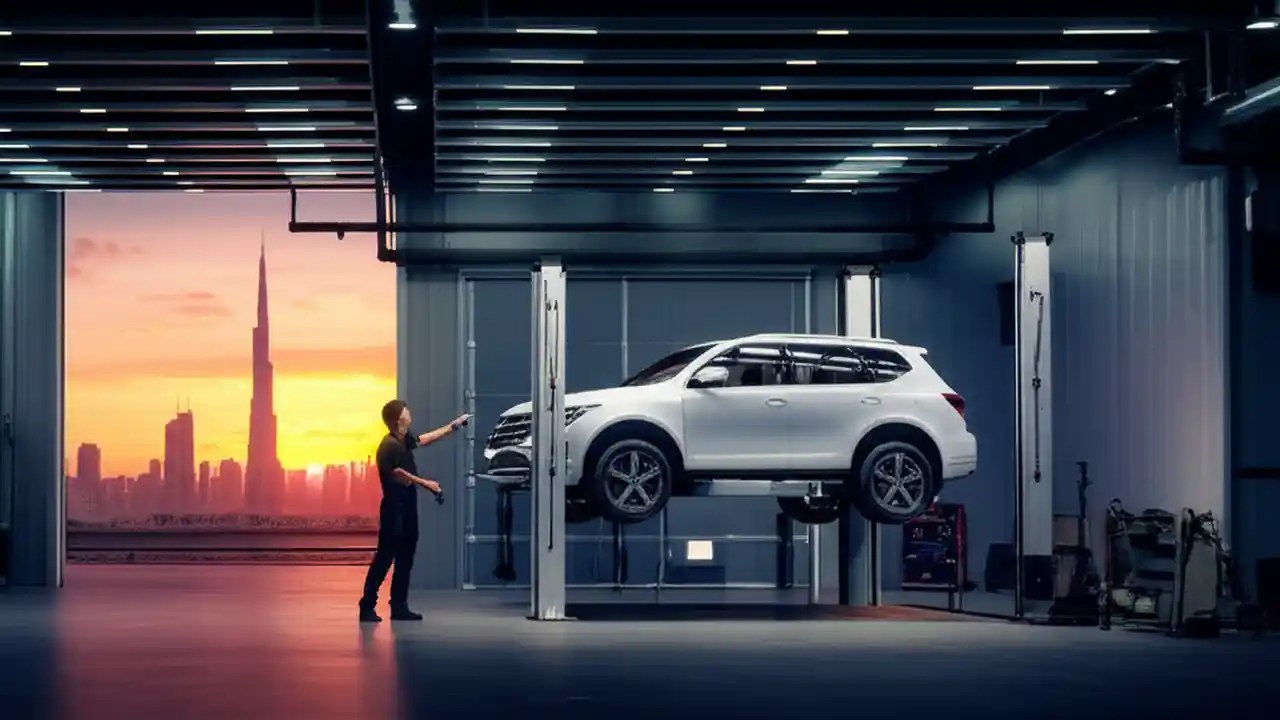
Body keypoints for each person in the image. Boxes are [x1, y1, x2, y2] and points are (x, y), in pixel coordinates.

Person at [359, 399, 470, 622]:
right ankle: (367, 605)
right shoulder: (388, 446)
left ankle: (399, 605)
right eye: (406, 410)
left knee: (405, 557)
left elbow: (423, 440)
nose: (410, 412)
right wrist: (426, 483)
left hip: (408, 505)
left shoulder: (403, 440)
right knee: (385, 557)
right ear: (399, 418)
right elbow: (398, 473)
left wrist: (454, 426)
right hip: (393, 508)